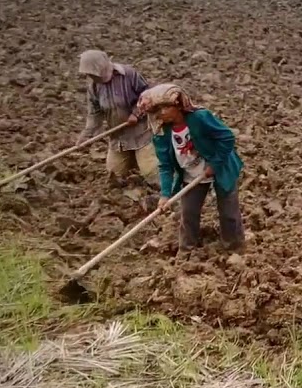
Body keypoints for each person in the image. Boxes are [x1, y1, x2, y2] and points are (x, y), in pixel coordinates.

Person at [138, 83, 246, 252]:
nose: (159, 115)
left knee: (228, 211)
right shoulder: (161, 133)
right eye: (155, 112)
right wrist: (165, 194)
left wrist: (215, 164)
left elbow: (227, 137)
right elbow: (165, 165)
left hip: (221, 167)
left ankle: (234, 248)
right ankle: (188, 250)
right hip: (190, 173)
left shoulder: (200, 118)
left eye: (162, 109)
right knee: (188, 212)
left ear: (177, 105)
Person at [76, 50, 157, 186]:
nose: (89, 77)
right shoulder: (94, 87)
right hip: (118, 138)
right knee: (114, 176)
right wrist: (86, 135)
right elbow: (94, 113)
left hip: (141, 133)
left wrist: (136, 113)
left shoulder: (129, 74)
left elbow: (148, 95)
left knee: (152, 175)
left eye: (90, 73)